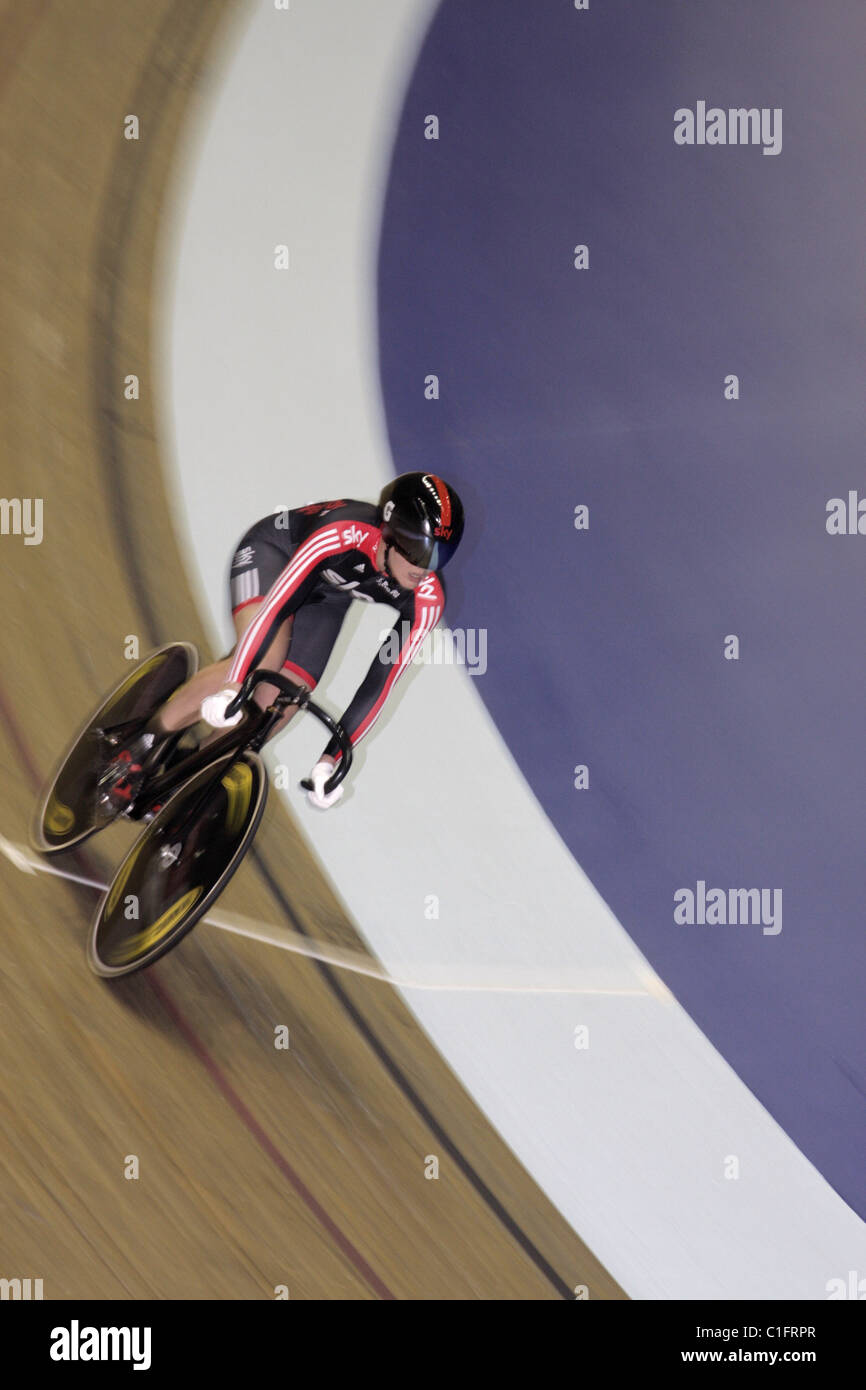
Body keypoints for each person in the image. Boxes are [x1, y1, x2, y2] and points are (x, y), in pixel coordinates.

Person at [106, 473, 464, 811]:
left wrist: (332, 761)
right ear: (387, 535)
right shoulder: (342, 532)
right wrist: (233, 685)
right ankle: (142, 744)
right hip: (275, 554)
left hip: (327, 599)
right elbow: (275, 608)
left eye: (438, 557)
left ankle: (189, 773)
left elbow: (381, 682)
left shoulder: (428, 598)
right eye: (419, 552)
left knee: (280, 703)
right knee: (264, 662)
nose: (425, 569)